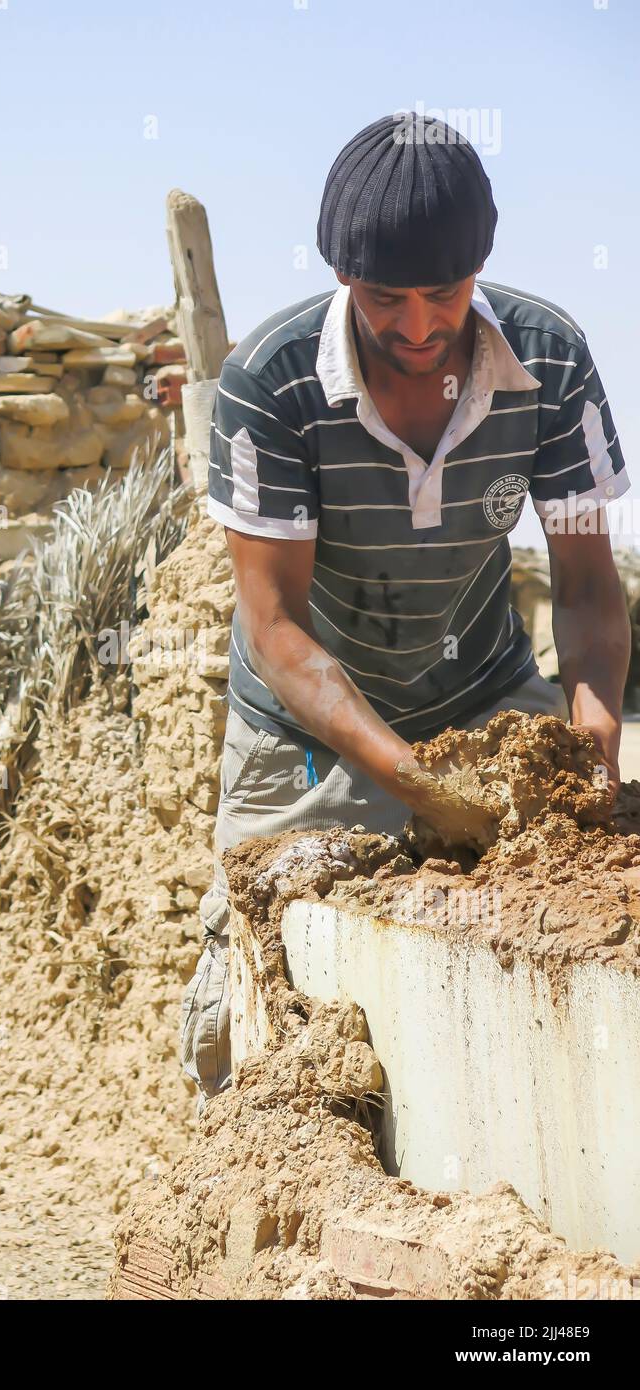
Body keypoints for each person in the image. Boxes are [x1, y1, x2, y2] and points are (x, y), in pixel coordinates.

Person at [181, 113, 630, 1103]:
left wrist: (592, 730)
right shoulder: (273, 382)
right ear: (342, 274)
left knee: (554, 933)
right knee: (265, 1014)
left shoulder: (549, 362)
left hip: (480, 697)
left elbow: (590, 584)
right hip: (308, 734)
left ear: (483, 268)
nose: (421, 327)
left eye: (447, 294)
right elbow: (276, 630)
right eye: (389, 298)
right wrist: (414, 782)